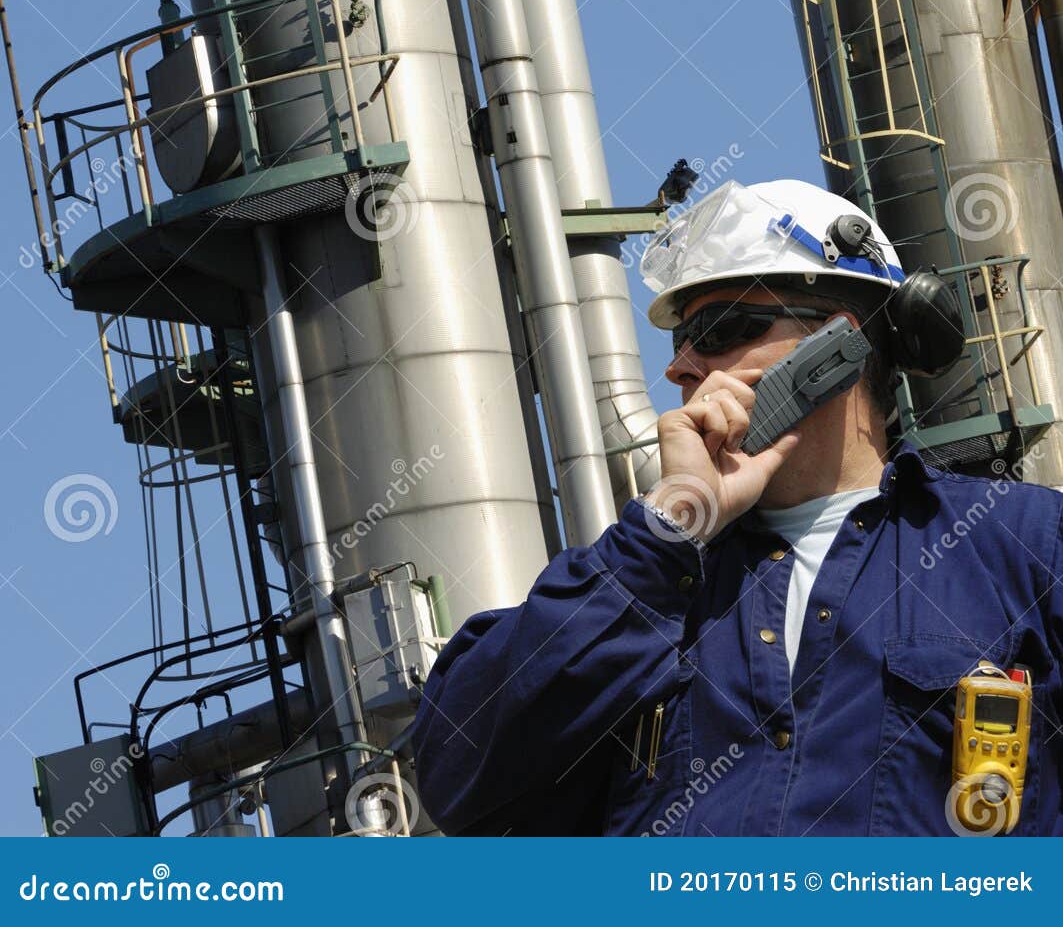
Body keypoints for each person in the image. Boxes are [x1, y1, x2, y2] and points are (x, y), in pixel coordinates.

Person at [411, 179, 1063, 836]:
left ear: (834, 347)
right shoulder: (643, 582)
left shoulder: (1027, 547)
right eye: (679, 340)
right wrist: (670, 531)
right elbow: (457, 778)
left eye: (717, 329)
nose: (679, 368)